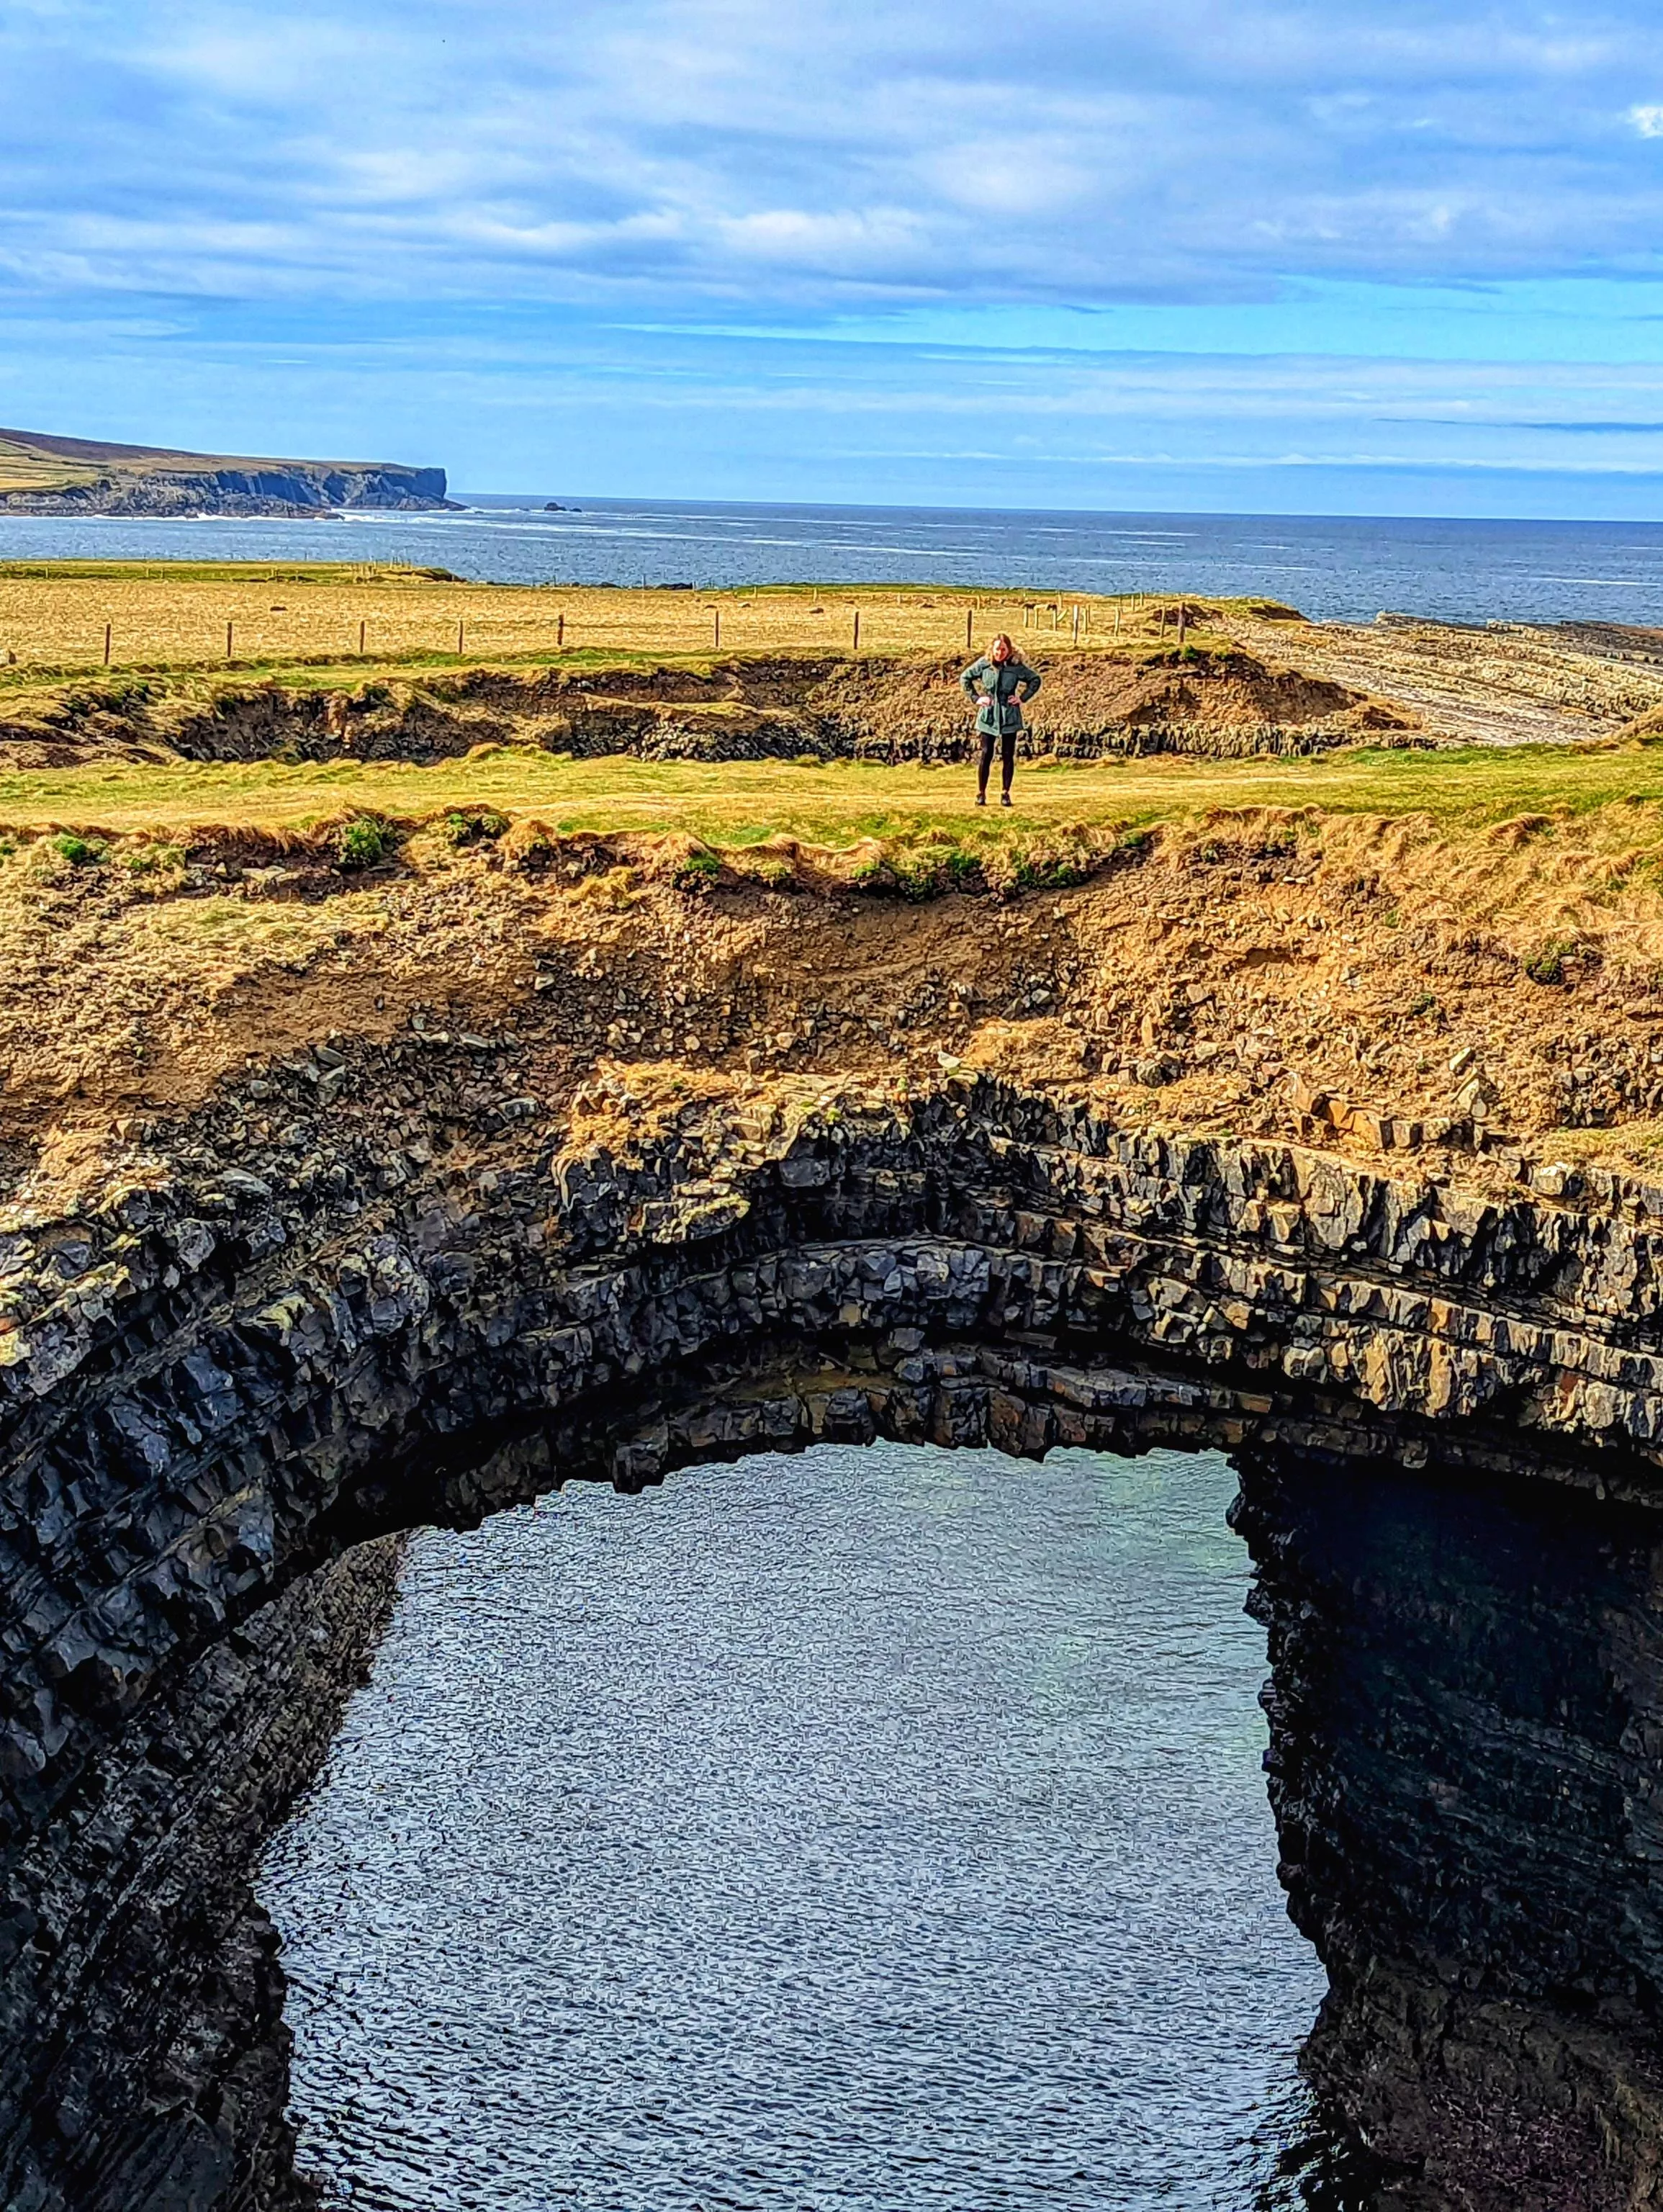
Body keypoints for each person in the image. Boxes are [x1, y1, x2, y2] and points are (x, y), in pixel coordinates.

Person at [960, 633, 1041, 807]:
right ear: (992, 649)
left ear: (1009, 650)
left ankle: (1005, 793)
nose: (1000, 652)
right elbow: (965, 678)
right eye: (998, 649)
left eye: (1004, 649)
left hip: (1009, 715)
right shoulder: (984, 663)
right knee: (986, 753)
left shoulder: (1015, 666)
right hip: (988, 715)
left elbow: (1034, 680)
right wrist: (976, 698)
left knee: (1008, 755)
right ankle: (981, 793)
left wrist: (1022, 698)